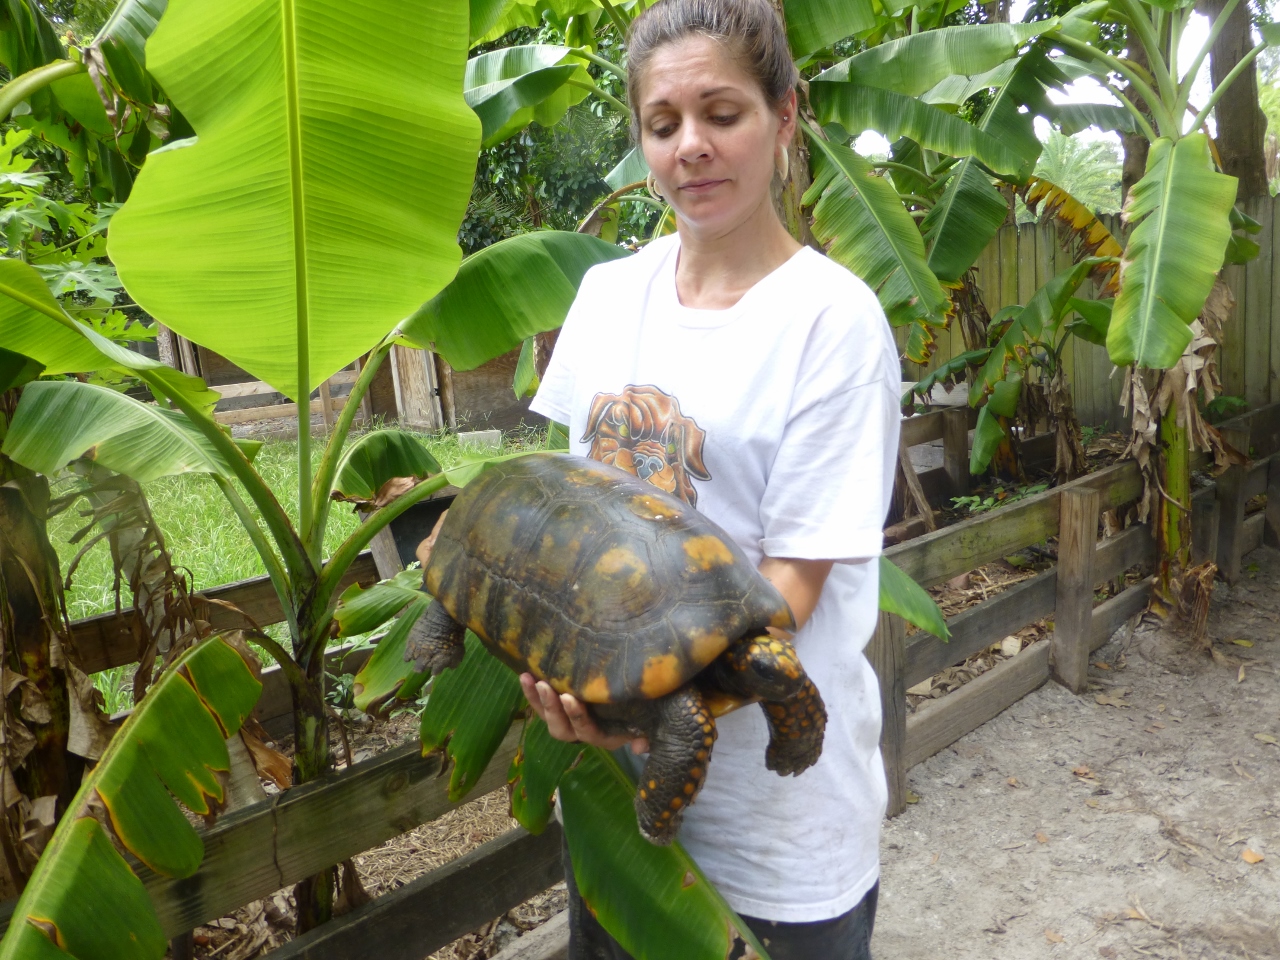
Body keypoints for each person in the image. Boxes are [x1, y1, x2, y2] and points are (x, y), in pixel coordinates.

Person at [522, 1, 899, 956]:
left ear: (784, 114)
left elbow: (790, 594)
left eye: (721, 114)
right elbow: (569, 520)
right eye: (663, 124)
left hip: (780, 836)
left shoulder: (833, 324)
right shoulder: (608, 296)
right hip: (614, 809)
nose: (691, 146)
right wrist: (570, 677)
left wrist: (635, 696)